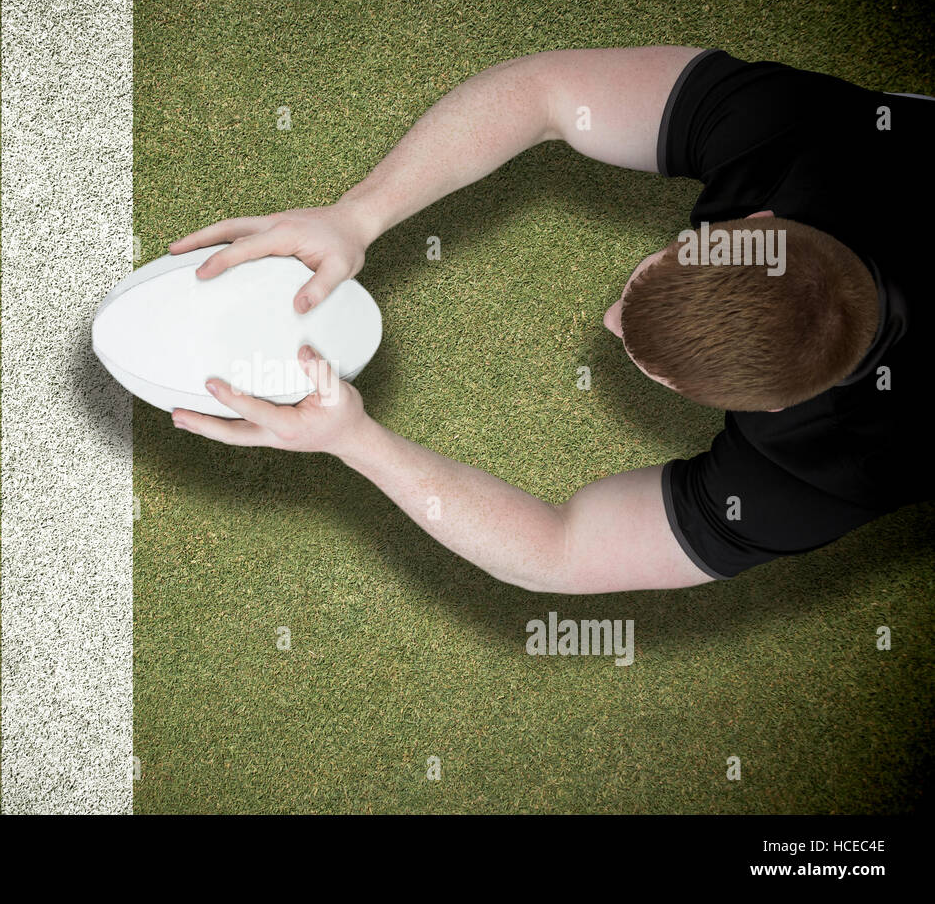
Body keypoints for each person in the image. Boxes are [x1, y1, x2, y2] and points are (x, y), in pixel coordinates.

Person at [166, 47, 932, 593]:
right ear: (755, 220)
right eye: (637, 290)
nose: (605, 320)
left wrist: (357, 442)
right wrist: (355, 217)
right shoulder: (806, 134)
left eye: (645, 361)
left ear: (772, 411)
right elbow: (547, 92)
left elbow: (561, 553)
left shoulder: (822, 475)